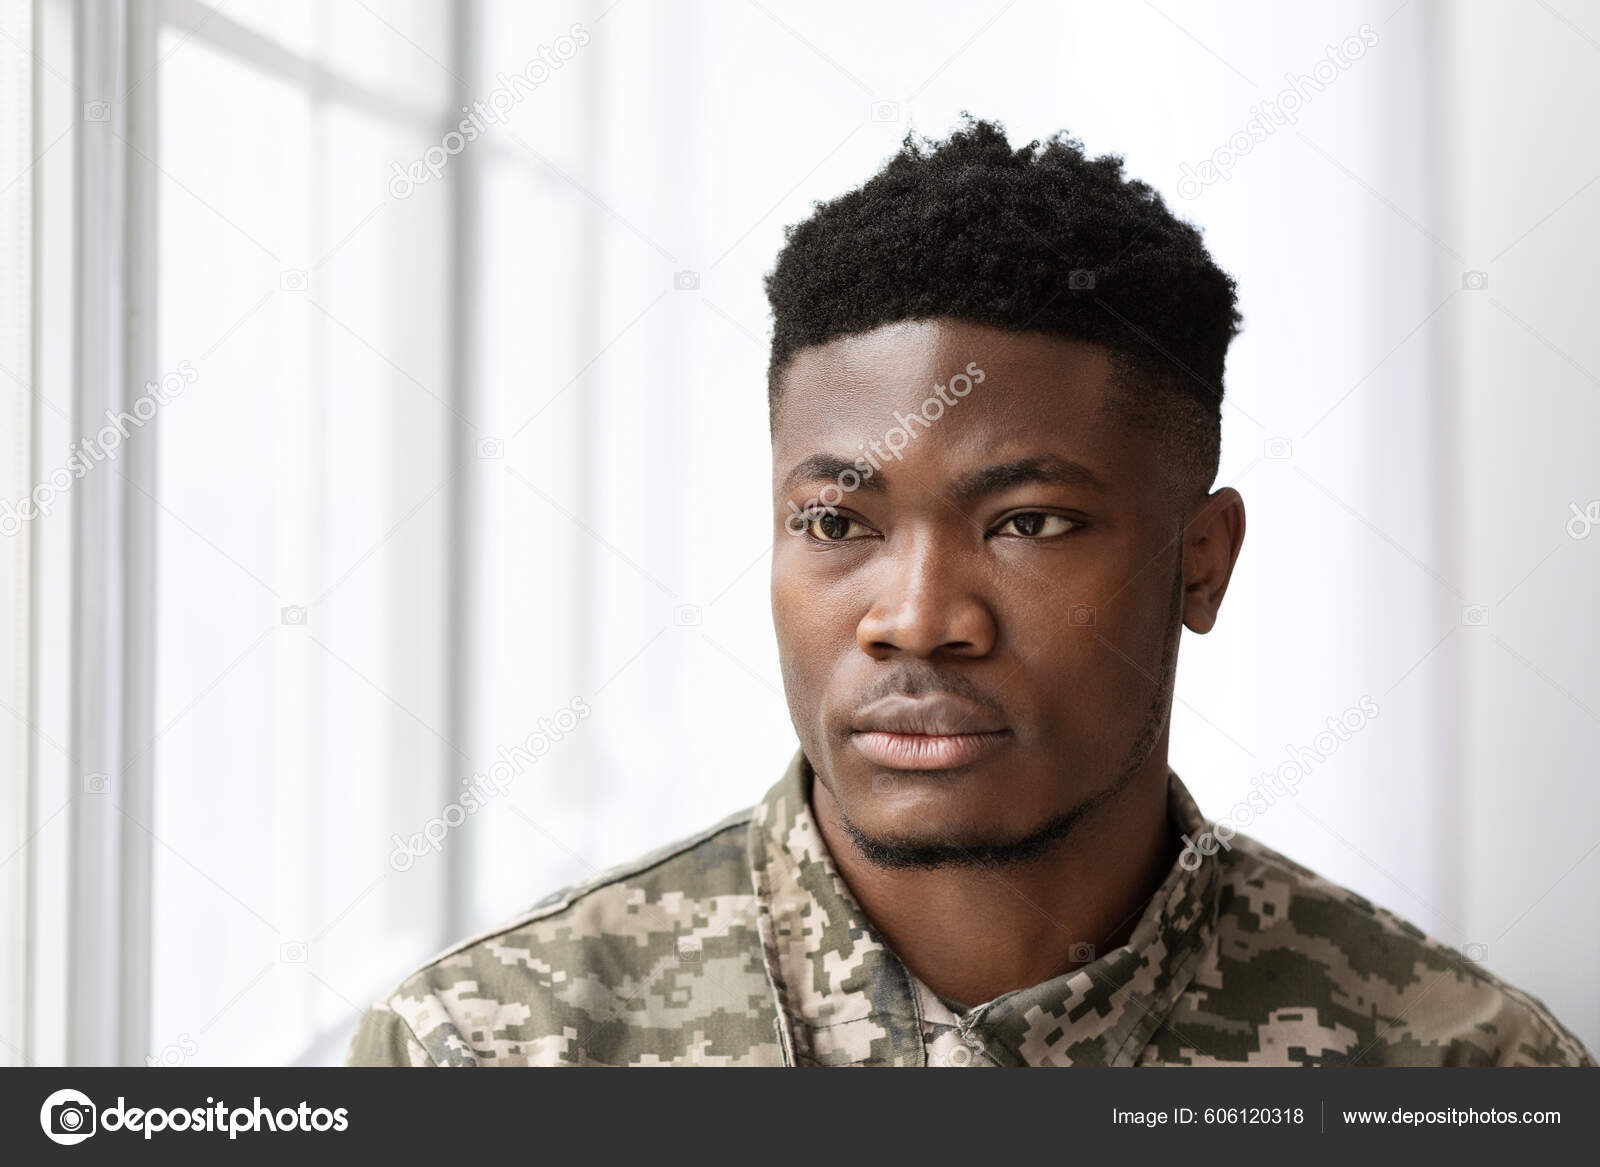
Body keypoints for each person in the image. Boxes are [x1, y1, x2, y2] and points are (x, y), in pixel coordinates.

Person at [348, 117, 1591, 1067]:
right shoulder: (493, 1053)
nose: (917, 616)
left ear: (1198, 561)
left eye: (1029, 523)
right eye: (836, 521)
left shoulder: (1455, 1066)